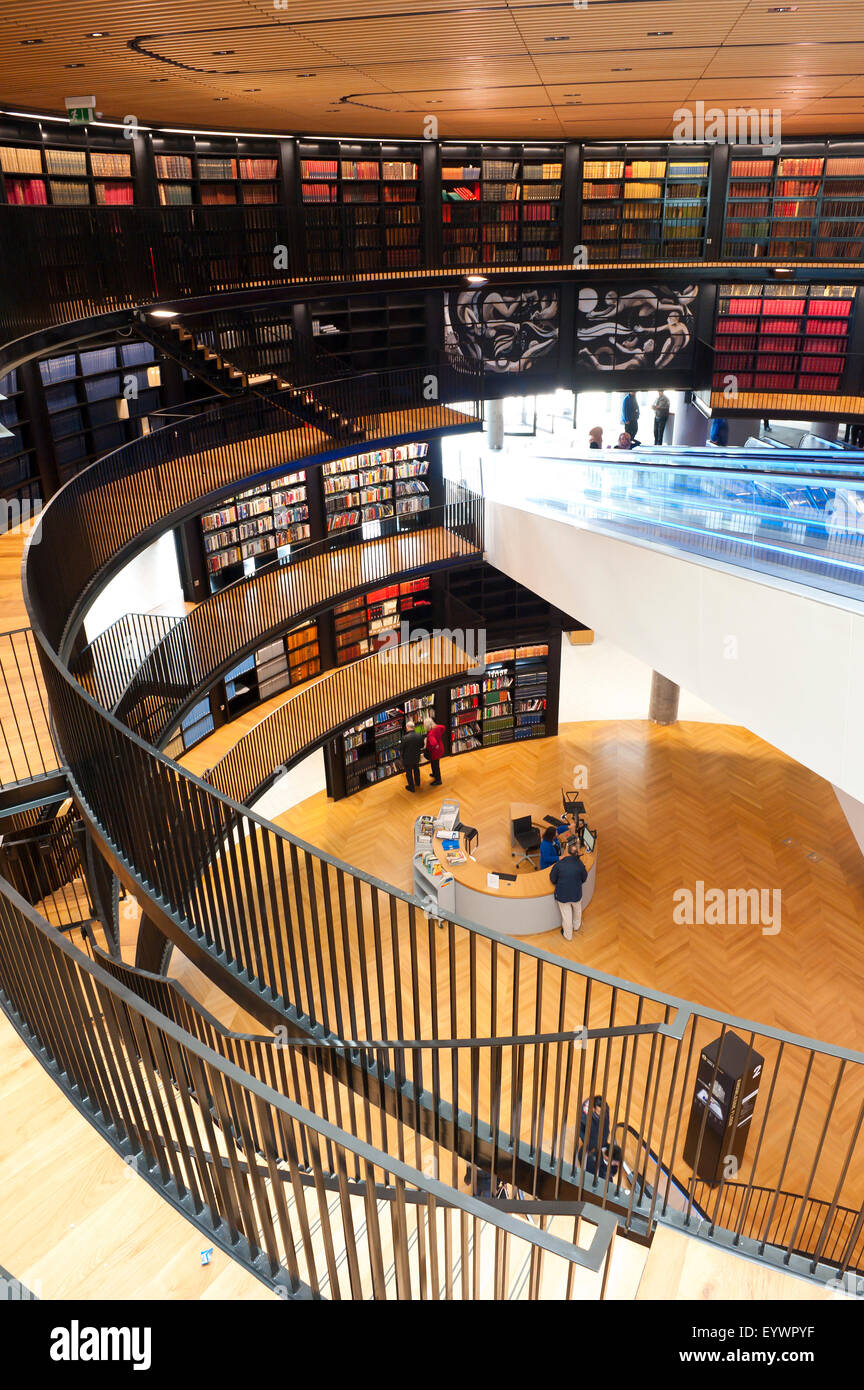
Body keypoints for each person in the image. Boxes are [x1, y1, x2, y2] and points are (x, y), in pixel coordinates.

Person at [549, 837, 588, 940]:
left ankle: (568, 935)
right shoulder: (580, 865)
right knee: (577, 910)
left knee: (566, 915)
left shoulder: (559, 865)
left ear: (567, 850)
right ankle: (576, 926)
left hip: (563, 895)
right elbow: (584, 878)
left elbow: (552, 879)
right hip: (576, 894)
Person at [578, 1094, 610, 1171]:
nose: (602, 1114)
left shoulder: (606, 1109)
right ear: (593, 1109)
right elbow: (581, 1129)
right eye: (599, 1111)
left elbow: (606, 1123)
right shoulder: (585, 1117)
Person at [401, 720, 425, 793]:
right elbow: (422, 746)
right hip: (416, 756)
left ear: (407, 727)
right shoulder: (419, 735)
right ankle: (417, 783)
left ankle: (411, 787)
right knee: (416, 770)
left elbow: (401, 748)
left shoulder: (405, 738)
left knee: (409, 773)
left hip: (407, 759)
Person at [423, 712, 446, 786]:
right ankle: (434, 774)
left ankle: (438, 780)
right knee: (434, 764)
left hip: (434, 752)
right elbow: (443, 727)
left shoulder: (430, 734)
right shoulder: (437, 727)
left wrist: (435, 746)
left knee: (435, 765)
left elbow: (434, 743)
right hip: (440, 748)